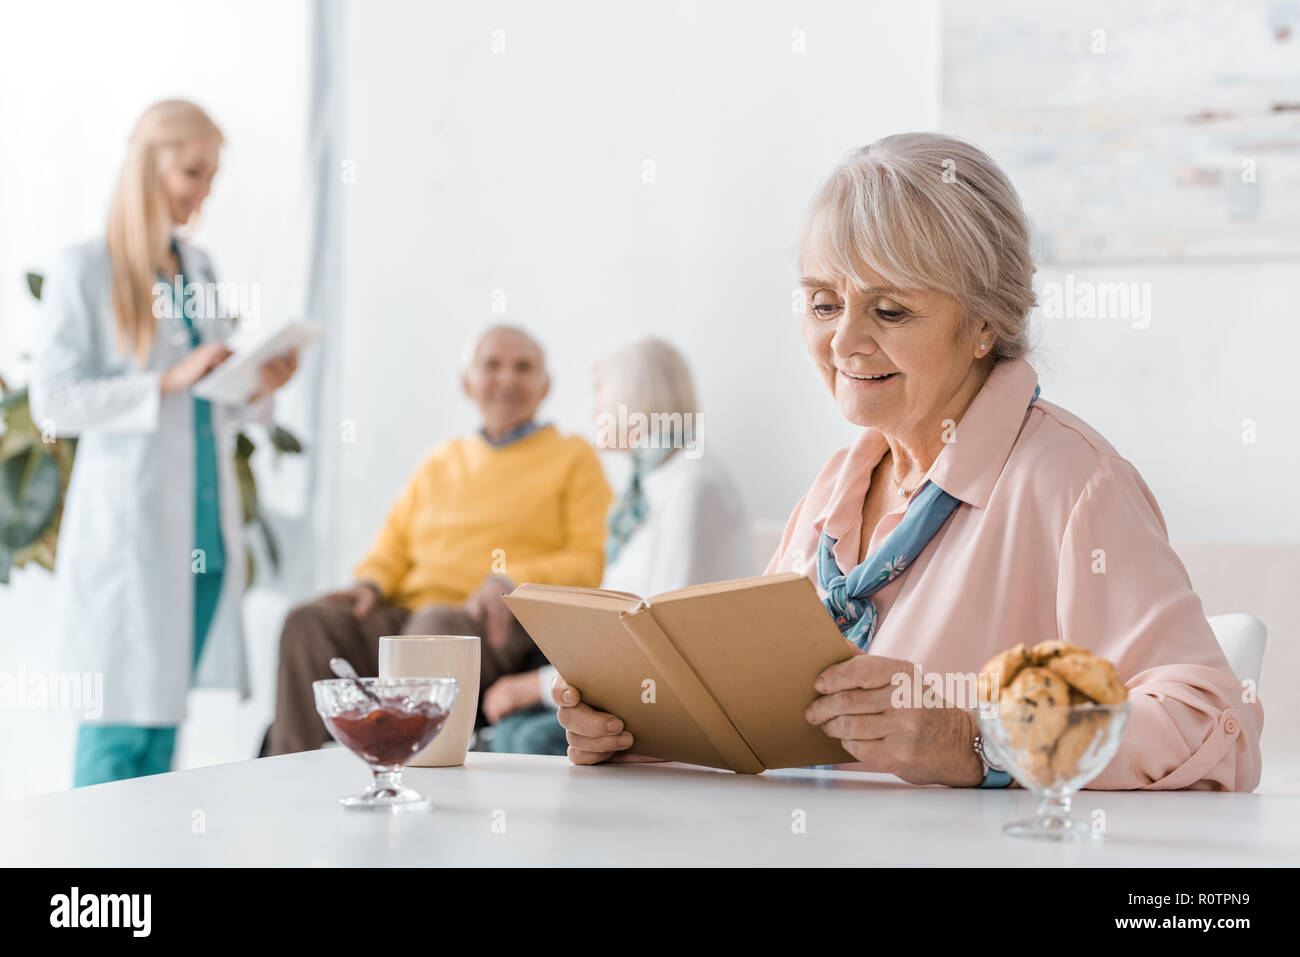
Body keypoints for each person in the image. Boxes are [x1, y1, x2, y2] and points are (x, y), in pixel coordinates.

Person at [549, 132, 1264, 791]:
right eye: (824, 304)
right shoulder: (836, 485)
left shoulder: (1072, 483)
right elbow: (757, 723)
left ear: (985, 321)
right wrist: (640, 729)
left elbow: (1213, 725)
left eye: (889, 312)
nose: (844, 342)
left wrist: (978, 739)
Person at [30, 99, 299, 787]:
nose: (203, 192)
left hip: (201, 532)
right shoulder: (85, 269)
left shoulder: (199, 267)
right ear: (149, 165)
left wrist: (259, 383)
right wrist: (165, 382)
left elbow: (209, 403)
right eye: (193, 172)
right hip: (131, 533)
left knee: (163, 726)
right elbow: (53, 399)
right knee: (119, 721)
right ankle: (92, 869)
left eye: (210, 176)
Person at [265, 324, 612, 755]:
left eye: (523, 368)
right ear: (467, 383)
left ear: (545, 386)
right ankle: (287, 772)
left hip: (496, 623)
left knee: (434, 630)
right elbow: (393, 544)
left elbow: (590, 560)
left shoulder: (573, 457)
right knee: (308, 622)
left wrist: (507, 579)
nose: (507, 379)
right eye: (492, 366)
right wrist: (370, 584)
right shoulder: (439, 461)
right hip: (407, 616)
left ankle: (403, 776)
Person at [481, 337, 754, 754]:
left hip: (679, 702)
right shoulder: (647, 487)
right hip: (637, 686)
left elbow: (659, 631)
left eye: (599, 389)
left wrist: (536, 686)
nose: (594, 407)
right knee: (511, 733)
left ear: (633, 396)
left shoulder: (691, 487)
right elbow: (614, 624)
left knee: (523, 738)